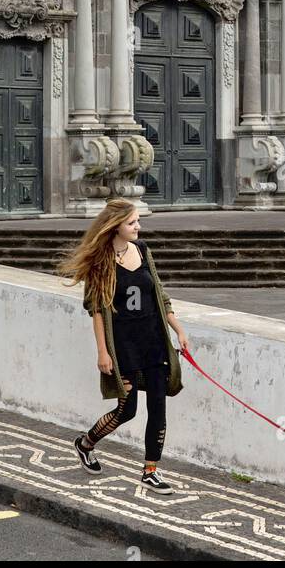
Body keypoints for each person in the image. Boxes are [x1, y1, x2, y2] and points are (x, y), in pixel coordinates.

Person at [56, 198, 188, 491]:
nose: (138, 227)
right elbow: (98, 312)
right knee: (126, 410)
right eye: (132, 223)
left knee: (158, 408)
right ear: (116, 226)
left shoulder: (142, 251)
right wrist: (103, 352)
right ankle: (85, 443)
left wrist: (178, 329)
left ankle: (150, 470)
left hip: (153, 341)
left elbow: (159, 295)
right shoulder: (101, 263)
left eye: (138, 221)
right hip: (123, 347)